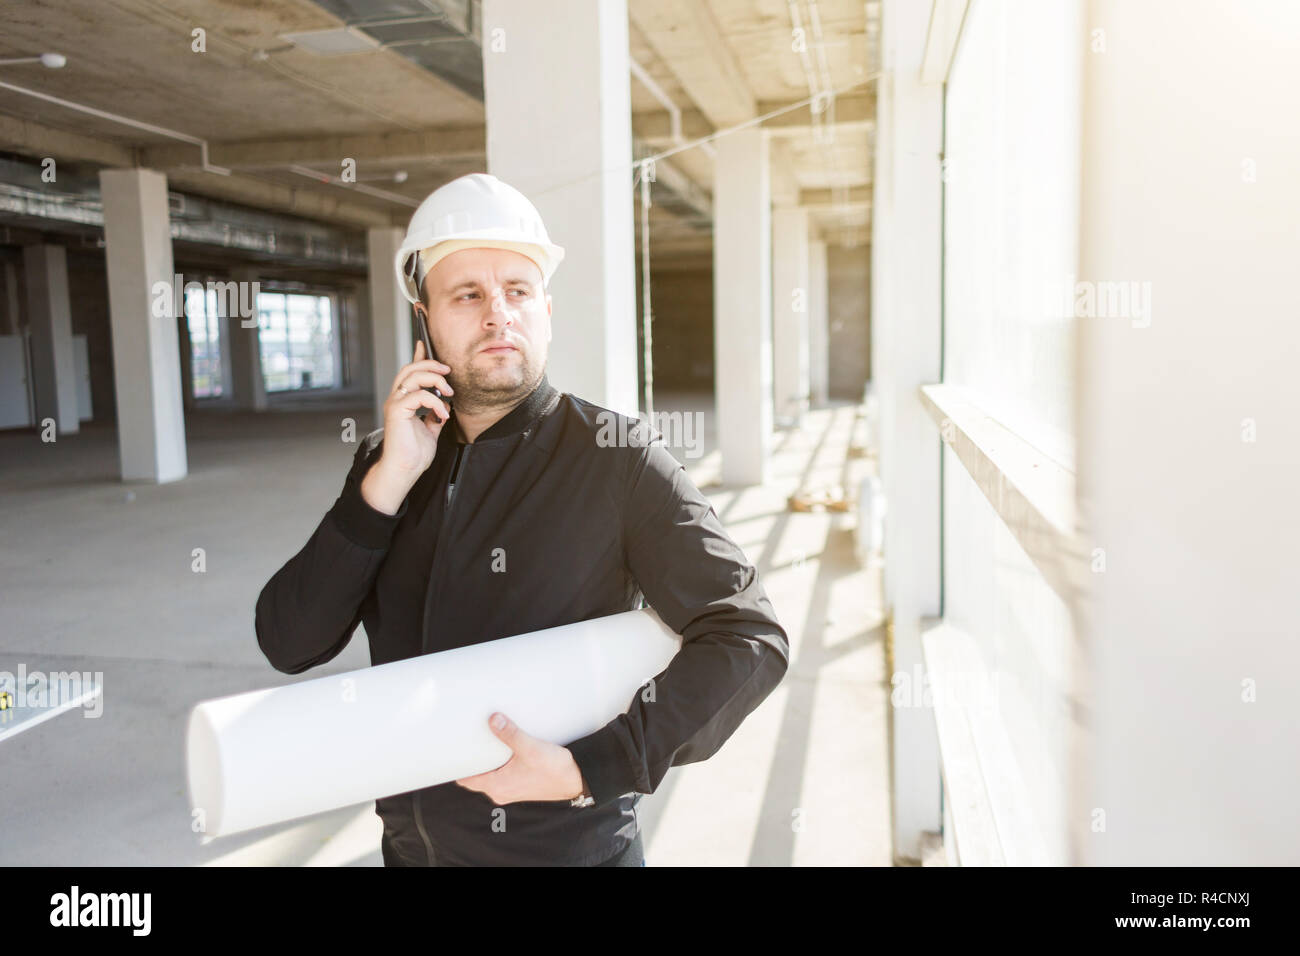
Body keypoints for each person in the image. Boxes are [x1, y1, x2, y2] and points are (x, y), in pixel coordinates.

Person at [255, 173, 790, 866]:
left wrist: (595, 766)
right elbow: (288, 639)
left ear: (545, 306)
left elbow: (749, 636)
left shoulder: (616, 458)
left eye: (517, 291)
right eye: (467, 294)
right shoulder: (386, 463)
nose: (497, 315)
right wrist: (384, 486)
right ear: (425, 317)